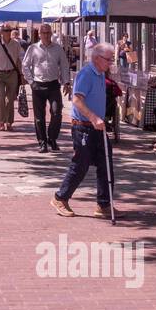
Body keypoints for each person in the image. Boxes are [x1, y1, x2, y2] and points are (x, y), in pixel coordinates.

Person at [52, 42, 118, 219]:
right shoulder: (86, 74)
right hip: (84, 127)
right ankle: (60, 198)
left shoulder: (101, 74)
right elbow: (77, 100)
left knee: (106, 165)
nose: (110, 63)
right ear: (96, 58)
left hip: (98, 128)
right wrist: (93, 117)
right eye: (108, 59)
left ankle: (103, 204)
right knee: (80, 165)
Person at [23, 23, 71, 152]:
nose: (46, 35)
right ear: (39, 34)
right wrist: (31, 81)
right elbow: (25, 65)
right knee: (39, 117)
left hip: (53, 85)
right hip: (38, 85)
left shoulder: (58, 49)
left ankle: (52, 138)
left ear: (51, 34)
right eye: (43, 33)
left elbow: (64, 66)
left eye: (48, 33)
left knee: (56, 113)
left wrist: (66, 82)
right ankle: (42, 142)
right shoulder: (33, 48)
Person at [0, 23, 25, 132]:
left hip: (12, 73)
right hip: (0, 74)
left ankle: (9, 122)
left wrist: (22, 74)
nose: (7, 33)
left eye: (9, 30)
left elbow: (20, 59)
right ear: (1, 32)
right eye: (5, 30)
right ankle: (1, 121)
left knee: (10, 99)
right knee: (1, 97)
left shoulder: (16, 44)